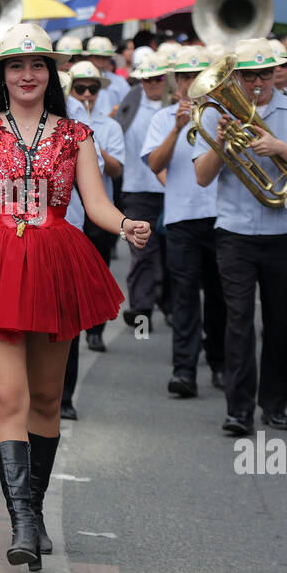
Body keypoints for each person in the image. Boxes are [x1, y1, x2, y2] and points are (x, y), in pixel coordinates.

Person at [0, 23, 150, 571]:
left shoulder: (77, 135)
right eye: (16, 66)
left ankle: (33, 512)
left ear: (51, 73)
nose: (27, 75)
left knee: (44, 401)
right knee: (7, 399)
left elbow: (96, 204)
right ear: (2, 75)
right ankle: (20, 524)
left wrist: (125, 224)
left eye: (37, 65)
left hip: (54, 262)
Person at [193, 38, 287, 434]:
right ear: (234, 76)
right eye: (248, 75)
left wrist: (280, 147)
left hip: (283, 232)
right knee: (239, 321)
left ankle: (274, 405)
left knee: (280, 322)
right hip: (234, 232)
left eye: (263, 74)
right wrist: (220, 141)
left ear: (277, 73)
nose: (256, 82)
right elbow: (202, 177)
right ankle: (238, 410)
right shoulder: (215, 114)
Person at [144, 50, 226, 398]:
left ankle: (220, 362)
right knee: (185, 297)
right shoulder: (163, 119)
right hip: (181, 218)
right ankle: (184, 370)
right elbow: (154, 164)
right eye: (185, 76)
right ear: (176, 81)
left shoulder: (224, 115)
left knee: (222, 298)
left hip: (222, 217)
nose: (191, 82)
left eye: (197, 75)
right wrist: (177, 130)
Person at [67, 62, 125, 354]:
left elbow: (114, 171)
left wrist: (91, 143)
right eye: (80, 88)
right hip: (70, 211)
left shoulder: (110, 125)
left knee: (97, 272)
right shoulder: (64, 117)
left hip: (98, 205)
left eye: (93, 88)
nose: (86, 94)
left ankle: (96, 331)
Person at [120, 52, 171, 331]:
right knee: (143, 253)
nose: (152, 83)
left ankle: (170, 304)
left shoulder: (177, 106)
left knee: (170, 255)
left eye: (159, 78)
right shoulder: (130, 102)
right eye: (147, 78)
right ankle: (141, 313)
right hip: (137, 190)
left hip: (171, 191)